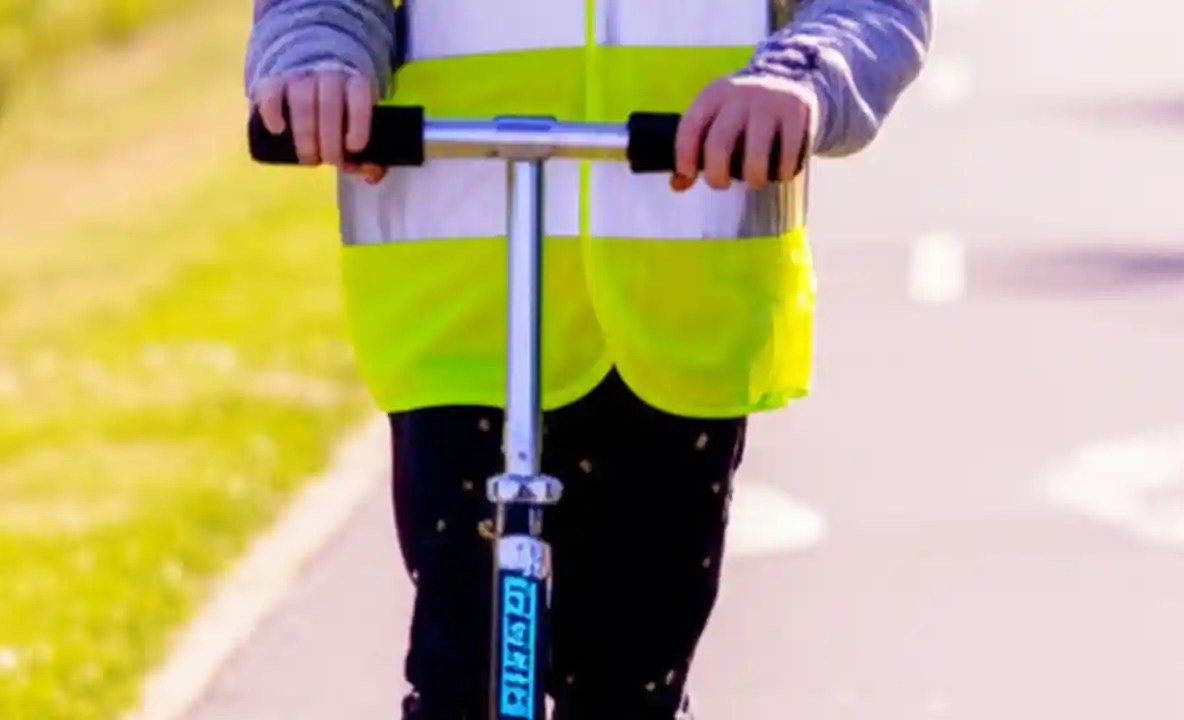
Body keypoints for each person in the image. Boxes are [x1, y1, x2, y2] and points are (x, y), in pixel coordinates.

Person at [244, 1, 931, 717]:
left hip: (678, 307)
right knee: (462, 680)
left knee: (629, 688)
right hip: (460, 303)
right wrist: (314, 58)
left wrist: (802, 76)